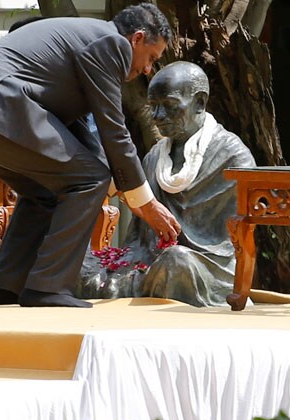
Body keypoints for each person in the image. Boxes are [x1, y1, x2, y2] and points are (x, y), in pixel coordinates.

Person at [0, 3, 181, 308]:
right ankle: (48, 288)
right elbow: (113, 130)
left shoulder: (85, 41)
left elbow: (78, 133)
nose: (147, 70)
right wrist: (145, 202)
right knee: (89, 179)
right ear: (137, 39)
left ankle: (4, 286)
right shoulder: (110, 43)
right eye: (151, 58)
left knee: (44, 191)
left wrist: (120, 187)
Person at [76, 61, 256, 307]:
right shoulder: (155, 156)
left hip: (206, 265)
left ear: (200, 103)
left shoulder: (233, 157)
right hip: (150, 260)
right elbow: (138, 238)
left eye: (169, 106)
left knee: (176, 263)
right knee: (78, 263)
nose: (159, 117)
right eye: (154, 108)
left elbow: (236, 244)